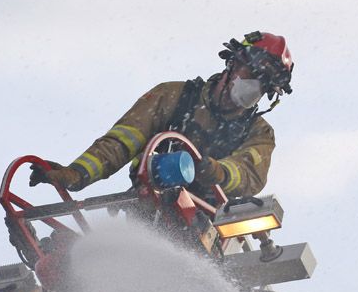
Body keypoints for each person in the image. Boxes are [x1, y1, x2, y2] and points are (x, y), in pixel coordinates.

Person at [30, 31, 293, 198]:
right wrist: (77, 174)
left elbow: (249, 175)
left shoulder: (259, 132)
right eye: (253, 75)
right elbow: (121, 142)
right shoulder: (173, 96)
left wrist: (216, 171)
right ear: (233, 63)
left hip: (210, 220)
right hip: (147, 202)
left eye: (265, 84)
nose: (255, 87)